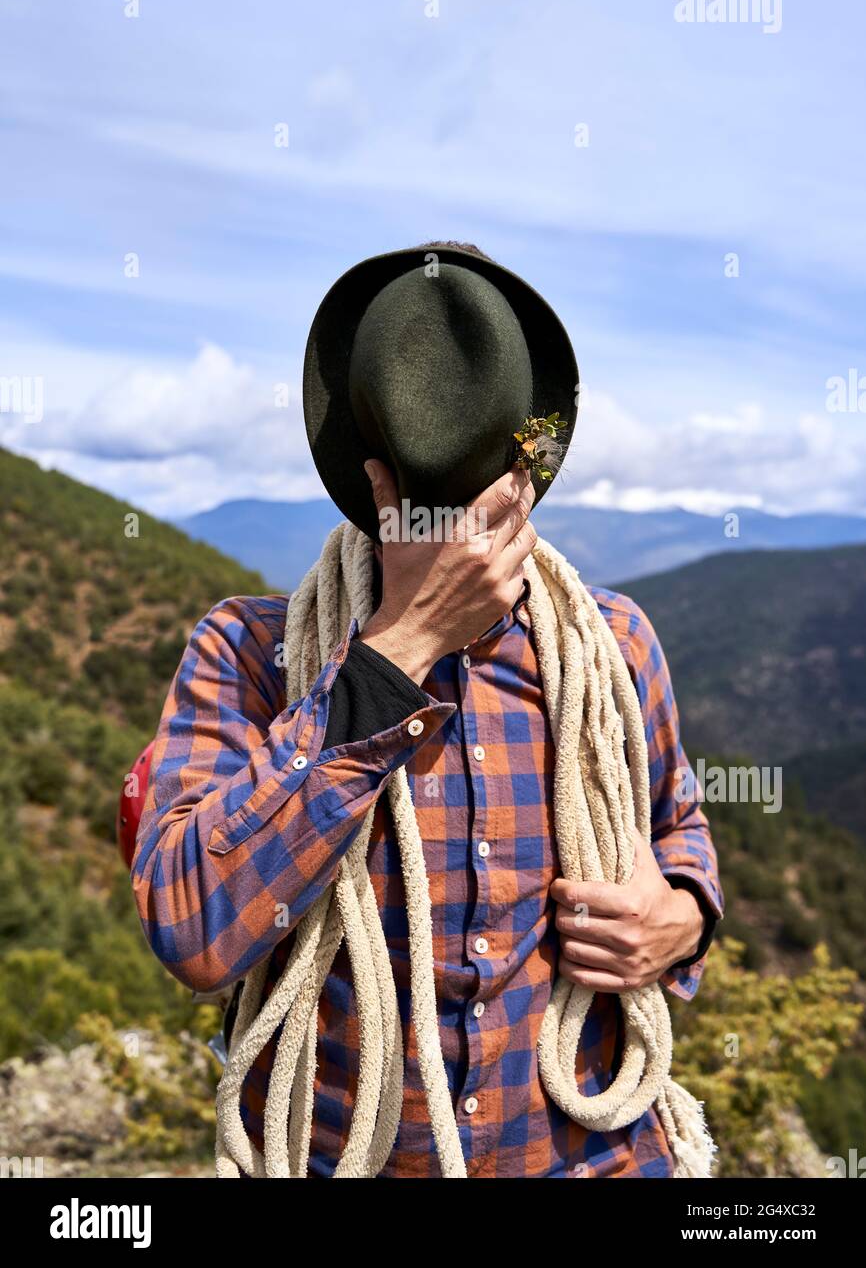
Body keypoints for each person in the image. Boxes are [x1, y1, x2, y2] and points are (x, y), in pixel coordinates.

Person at [130, 241, 724, 1178]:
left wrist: (682, 914)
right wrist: (400, 649)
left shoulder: (612, 642)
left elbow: (678, 825)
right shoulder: (249, 653)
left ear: (521, 476)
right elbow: (194, 928)